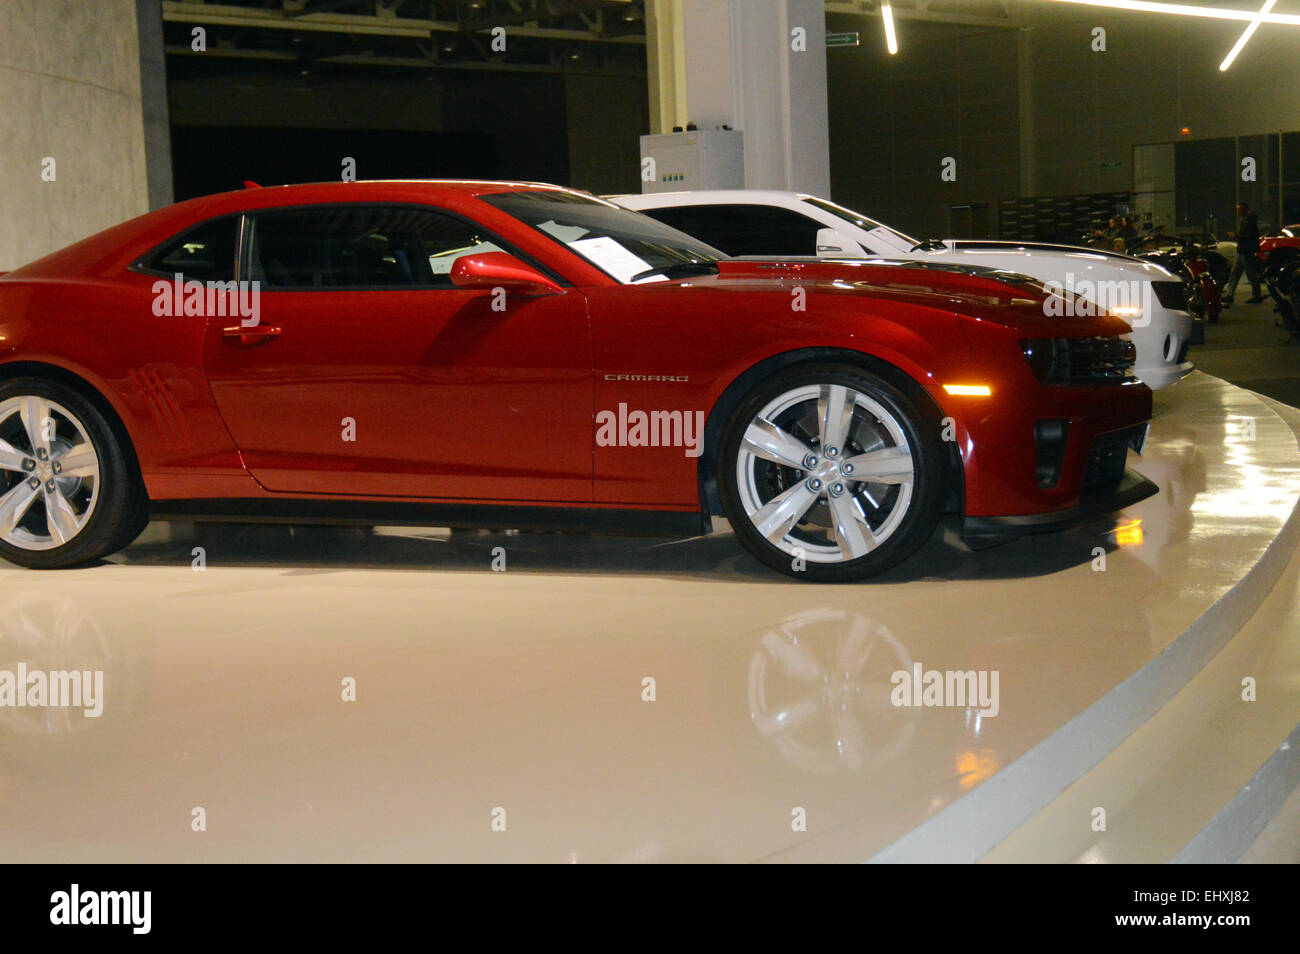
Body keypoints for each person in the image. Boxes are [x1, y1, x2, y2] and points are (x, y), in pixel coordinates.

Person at [1222, 202, 1263, 307]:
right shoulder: (1247, 220)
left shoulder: (1248, 221)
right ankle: (1230, 295)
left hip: (1246, 252)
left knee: (1249, 275)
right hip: (1243, 251)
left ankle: (1256, 295)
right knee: (1236, 274)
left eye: (1239, 210)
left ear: (1244, 210)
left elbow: (1248, 236)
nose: (1238, 212)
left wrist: (1236, 235)